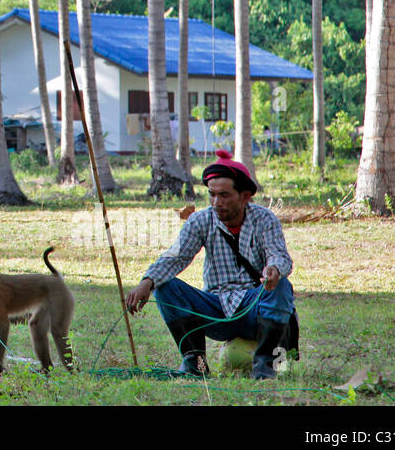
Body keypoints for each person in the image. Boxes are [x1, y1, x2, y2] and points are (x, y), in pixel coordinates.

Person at [124, 149, 295, 379]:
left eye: (224, 195)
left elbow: (280, 256)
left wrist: (274, 270)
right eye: (212, 195)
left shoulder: (264, 219)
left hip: (255, 305)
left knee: (283, 286)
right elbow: (176, 257)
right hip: (217, 306)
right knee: (165, 286)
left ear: (245, 196)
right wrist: (148, 281)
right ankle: (194, 363)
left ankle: (265, 366)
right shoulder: (200, 220)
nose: (216, 202)